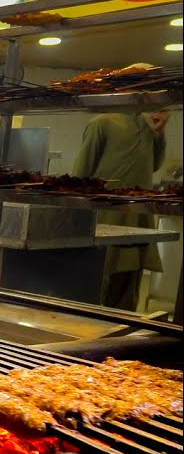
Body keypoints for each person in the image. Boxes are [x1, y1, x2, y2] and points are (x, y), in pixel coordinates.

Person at [73, 101, 168, 310]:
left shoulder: (148, 127)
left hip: (138, 217)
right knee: (98, 280)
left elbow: (153, 165)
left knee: (128, 281)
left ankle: (119, 337)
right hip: (105, 216)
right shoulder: (102, 123)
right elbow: (80, 175)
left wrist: (160, 133)